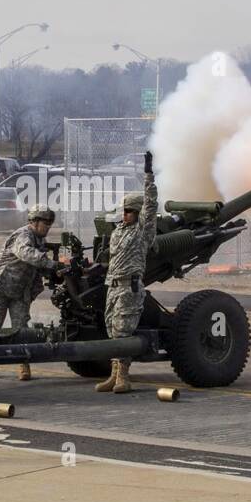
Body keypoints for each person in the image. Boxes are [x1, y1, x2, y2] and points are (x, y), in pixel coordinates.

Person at [96, 150, 157, 394]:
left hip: (130, 287)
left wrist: (148, 175)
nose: (126, 215)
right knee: (112, 330)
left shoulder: (142, 230)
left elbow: (150, 205)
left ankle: (124, 377)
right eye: (125, 211)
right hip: (113, 286)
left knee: (123, 332)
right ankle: (113, 375)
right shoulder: (119, 230)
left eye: (130, 211)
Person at [0, 206, 61, 380]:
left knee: (21, 329)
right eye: (45, 223)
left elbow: (38, 266)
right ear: (34, 222)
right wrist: (52, 264)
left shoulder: (39, 240)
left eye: (50, 224)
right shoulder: (23, 236)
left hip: (20, 291)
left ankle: (23, 364)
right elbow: (27, 254)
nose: (48, 227)